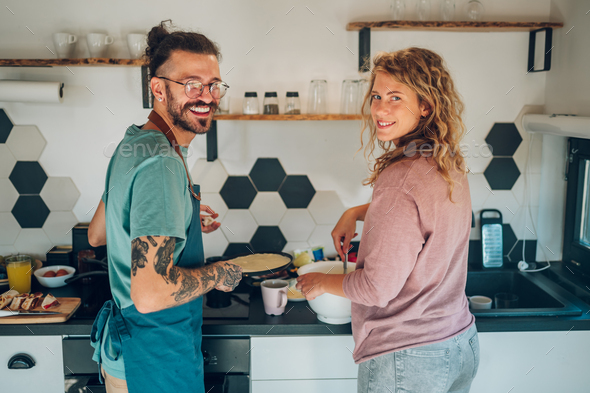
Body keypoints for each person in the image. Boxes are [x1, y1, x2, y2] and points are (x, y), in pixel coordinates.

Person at [297, 47, 479, 393]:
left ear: (425, 105)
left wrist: (321, 282)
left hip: (410, 356)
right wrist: (355, 212)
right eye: (377, 96)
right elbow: (424, 216)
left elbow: (376, 288)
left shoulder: (400, 179)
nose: (380, 108)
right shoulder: (446, 161)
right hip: (459, 342)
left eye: (396, 97)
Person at [87, 20, 242, 393]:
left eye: (213, 85)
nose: (206, 96)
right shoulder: (162, 162)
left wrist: (178, 215)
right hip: (154, 357)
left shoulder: (134, 143)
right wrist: (218, 275)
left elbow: (98, 233)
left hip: (127, 353)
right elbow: (151, 292)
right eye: (191, 84)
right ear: (157, 88)